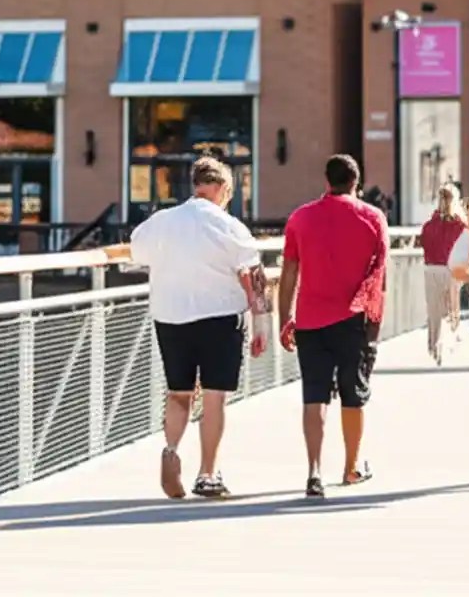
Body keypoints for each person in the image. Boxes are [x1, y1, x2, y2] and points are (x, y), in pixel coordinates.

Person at [121, 157, 272, 500]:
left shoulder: (161, 221)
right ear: (222, 188)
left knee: (179, 392)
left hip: (171, 317)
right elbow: (254, 277)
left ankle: (171, 450)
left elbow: (137, 251)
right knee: (215, 396)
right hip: (220, 318)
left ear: (196, 186)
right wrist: (261, 324)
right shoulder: (230, 227)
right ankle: (207, 474)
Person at [279, 154, 388, 498]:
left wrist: (285, 319)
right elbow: (379, 278)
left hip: (310, 320)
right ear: (357, 182)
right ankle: (351, 468)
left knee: (314, 395)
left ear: (327, 181)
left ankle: (314, 472)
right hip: (353, 320)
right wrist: (374, 327)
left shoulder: (300, 218)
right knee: (353, 394)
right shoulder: (373, 218)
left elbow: (289, 272)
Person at [419, 183, 468, 365]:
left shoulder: (429, 225)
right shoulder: (461, 225)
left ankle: (434, 345)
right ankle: (448, 342)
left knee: (434, 311)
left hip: (432, 269)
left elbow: (424, 243)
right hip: (451, 270)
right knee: (450, 309)